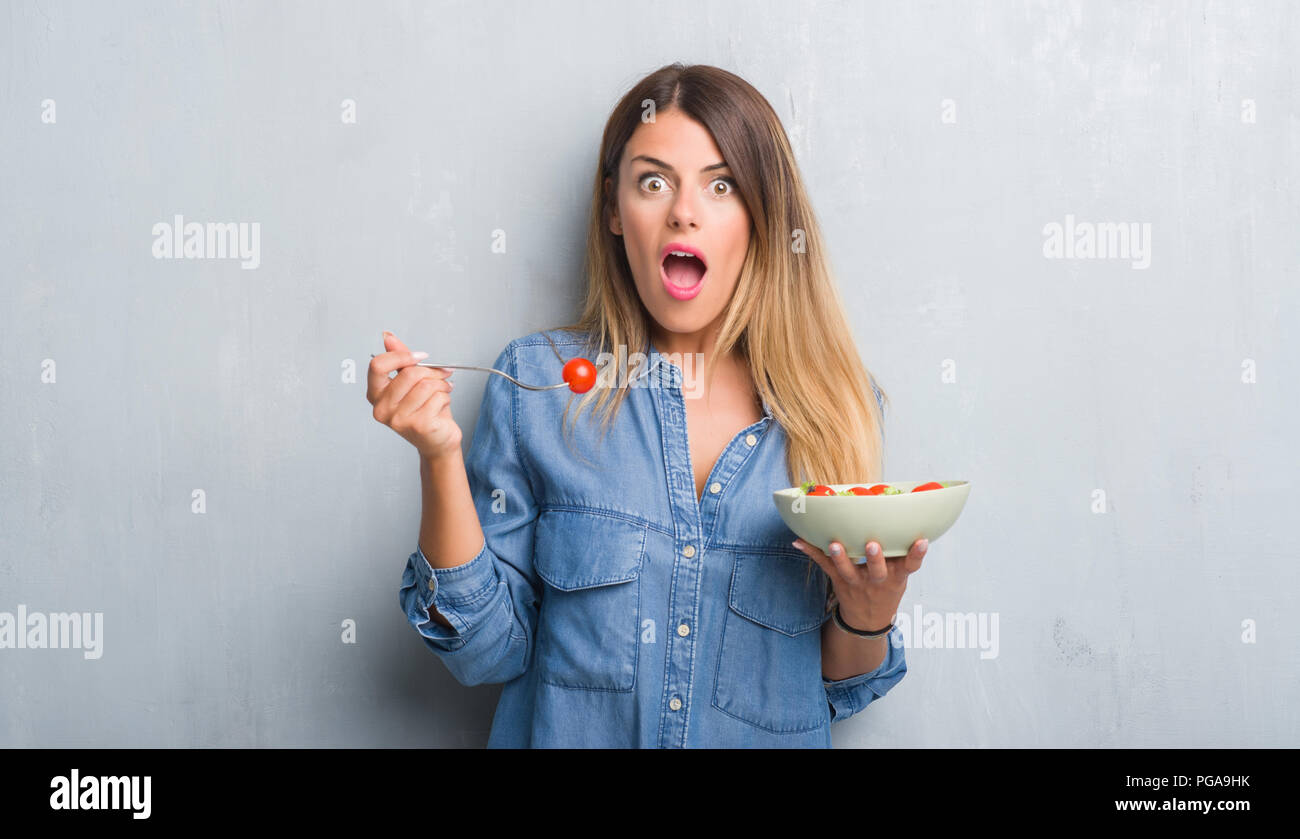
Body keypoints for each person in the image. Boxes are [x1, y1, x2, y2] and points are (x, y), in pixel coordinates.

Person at [369, 62, 928, 747]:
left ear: (761, 217)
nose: (683, 210)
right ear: (613, 210)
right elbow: (486, 652)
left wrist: (869, 615)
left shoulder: (838, 408)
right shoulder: (537, 386)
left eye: (720, 185)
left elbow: (840, 687)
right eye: (653, 181)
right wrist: (439, 455)